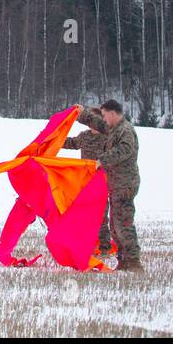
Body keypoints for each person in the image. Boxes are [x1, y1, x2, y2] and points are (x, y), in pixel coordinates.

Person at [79, 99, 142, 272]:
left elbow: (124, 150)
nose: (104, 119)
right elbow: (98, 124)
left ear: (113, 113)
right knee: (115, 227)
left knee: (124, 225)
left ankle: (134, 263)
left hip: (125, 185)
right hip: (116, 185)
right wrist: (81, 113)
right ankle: (123, 261)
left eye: (105, 115)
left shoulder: (126, 131)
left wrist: (102, 160)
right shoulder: (114, 129)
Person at [67, 105, 114, 256]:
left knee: (101, 216)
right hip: (84, 182)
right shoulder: (84, 136)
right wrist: (52, 140)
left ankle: (104, 247)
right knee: (83, 215)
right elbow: (71, 143)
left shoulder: (107, 138)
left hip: (101, 183)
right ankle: (86, 245)